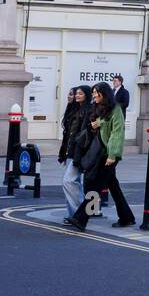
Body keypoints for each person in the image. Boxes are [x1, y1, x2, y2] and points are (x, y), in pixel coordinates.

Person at [67, 83, 135, 230]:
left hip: (109, 154)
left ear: (104, 93)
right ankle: (126, 217)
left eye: (96, 93)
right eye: (93, 93)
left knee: (95, 186)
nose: (94, 95)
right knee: (113, 186)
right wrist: (93, 126)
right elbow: (93, 129)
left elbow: (117, 133)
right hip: (99, 152)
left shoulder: (116, 110)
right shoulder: (97, 108)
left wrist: (112, 155)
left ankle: (81, 219)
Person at [59, 85, 92, 220]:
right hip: (71, 152)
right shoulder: (75, 110)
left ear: (86, 95)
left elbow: (85, 135)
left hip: (79, 153)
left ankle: (80, 214)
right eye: (75, 93)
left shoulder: (88, 111)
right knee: (74, 183)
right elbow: (68, 135)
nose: (76, 96)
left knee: (68, 181)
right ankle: (73, 215)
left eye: (80, 93)